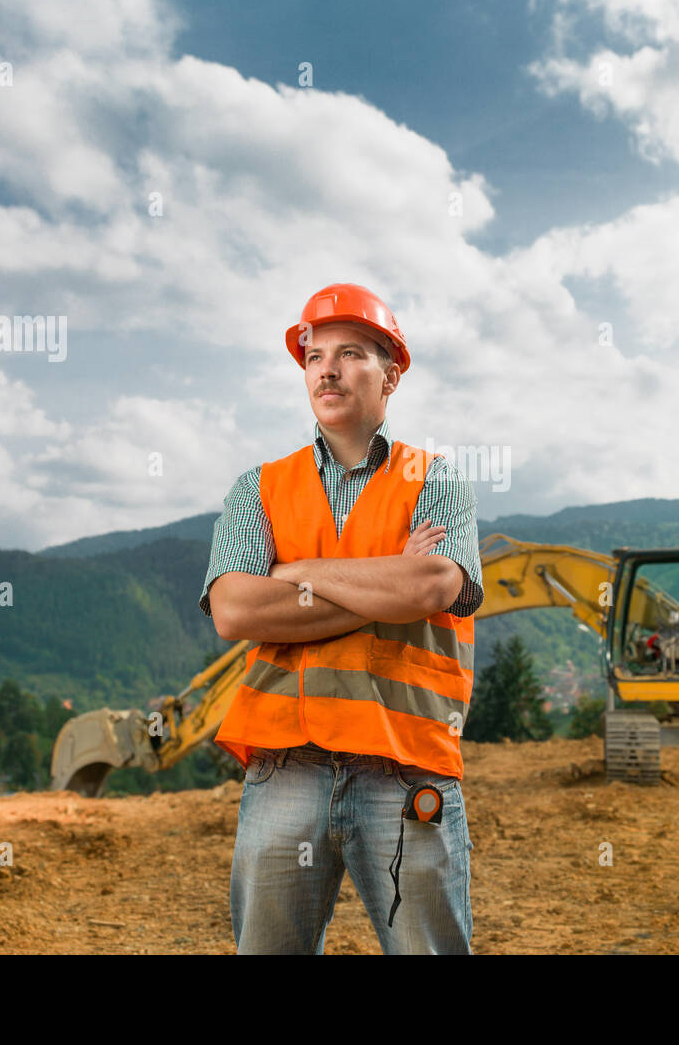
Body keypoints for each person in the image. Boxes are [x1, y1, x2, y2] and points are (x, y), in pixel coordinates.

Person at [200, 282, 484, 955]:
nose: (325, 369)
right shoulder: (258, 488)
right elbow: (234, 607)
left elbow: (433, 583)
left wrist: (294, 573)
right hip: (284, 769)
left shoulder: (436, 479)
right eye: (313, 355)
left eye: (350, 352)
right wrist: (382, 576)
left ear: (391, 375)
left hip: (405, 768)